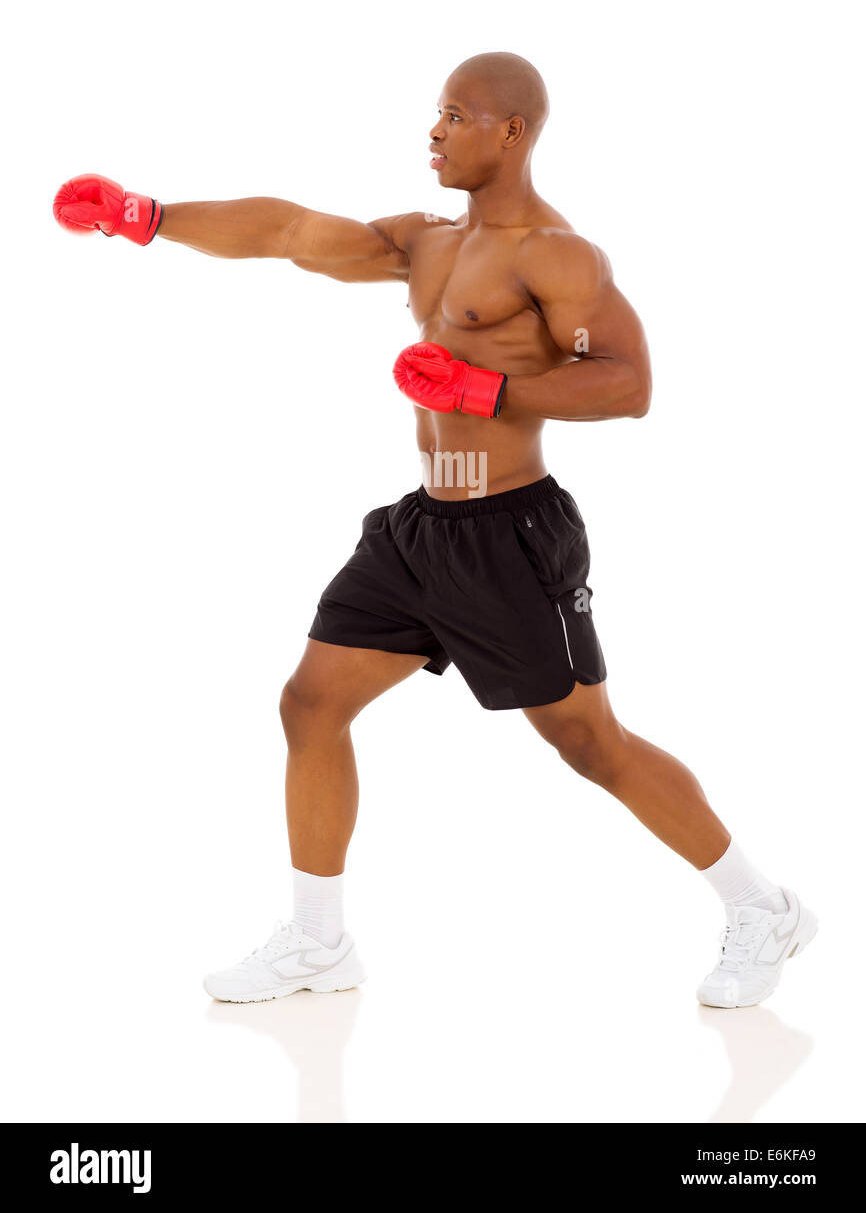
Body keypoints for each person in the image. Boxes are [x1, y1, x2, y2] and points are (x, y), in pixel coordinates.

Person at [53, 51, 816, 1009]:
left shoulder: (557, 253)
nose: (435, 131)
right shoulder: (427, 243)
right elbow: (289, 231)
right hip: (419, 532)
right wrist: (148, 218)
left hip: (513, 532)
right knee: (310, 703)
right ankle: (319, 941)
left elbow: (629, 384)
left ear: (513, 132)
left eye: (456, 115)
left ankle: (762, 907)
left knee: (588, 742)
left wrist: (485, 387)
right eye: (436, 112)